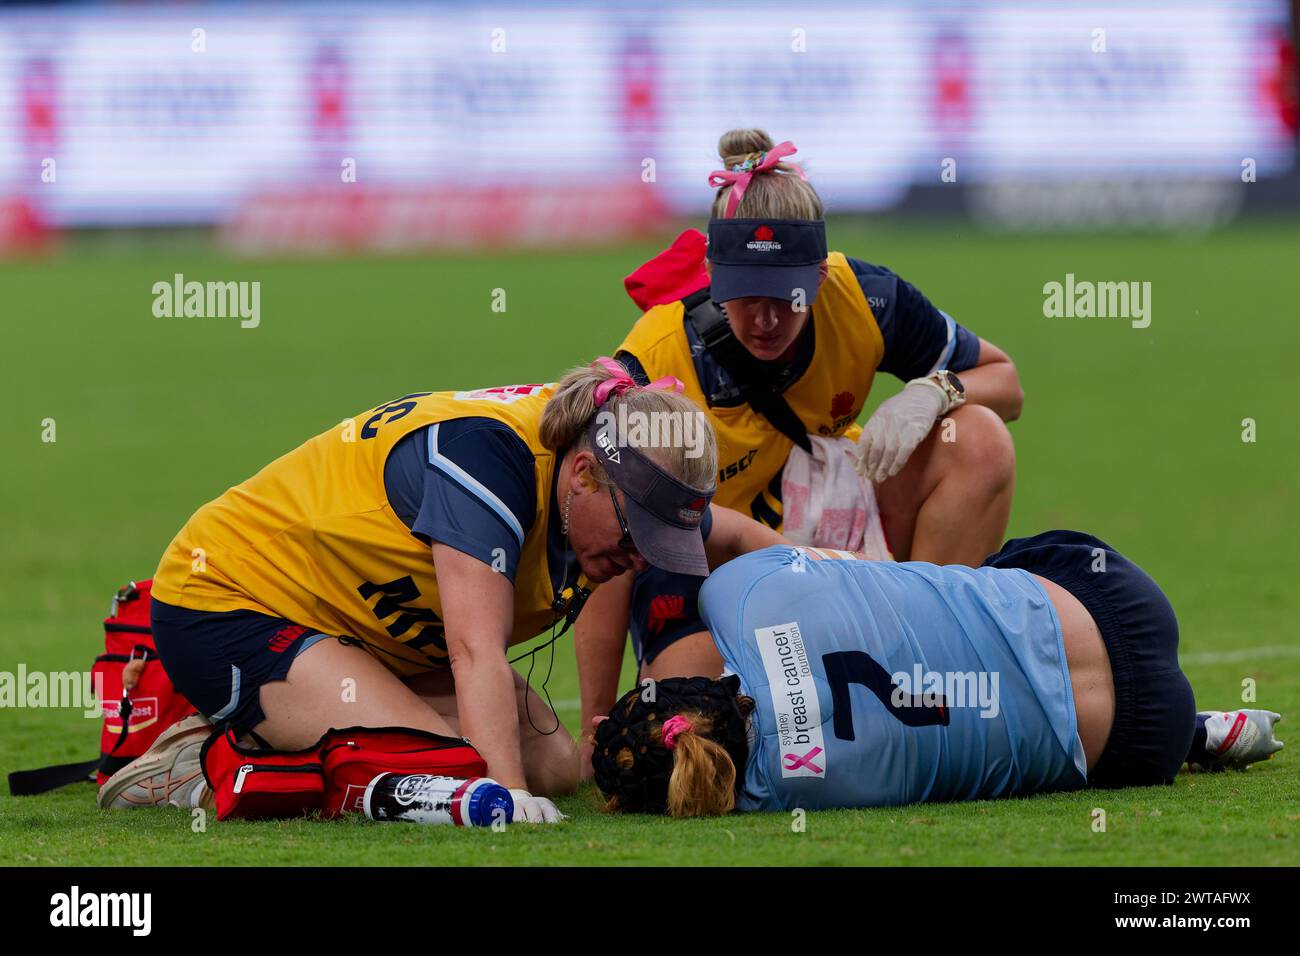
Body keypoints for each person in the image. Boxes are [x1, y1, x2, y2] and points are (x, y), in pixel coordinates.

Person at [98, 359, 718, 824]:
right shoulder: (492, 459)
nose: (642, 558)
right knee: (461, 768)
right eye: (639, 535)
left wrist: (809, 562)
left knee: (554, 766)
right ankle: (205, 759)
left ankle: (295, 721)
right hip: (230, 604)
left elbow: (735, 537)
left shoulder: (601, 474)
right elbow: (475, 652)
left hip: (358, 626)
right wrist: (509, 796)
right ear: (582, 475)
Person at [577, 127, 1025, 758]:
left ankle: (928, 659)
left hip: (838, 532)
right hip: (711, 569)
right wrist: (594, 726)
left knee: (975, 435)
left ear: (818, 274)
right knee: (681, 739)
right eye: (745, 298)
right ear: (713, 274)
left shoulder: (865, 297)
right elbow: (605, 532)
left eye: (787, 298)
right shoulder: (658, 358)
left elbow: (1005, 382)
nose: (765, 321)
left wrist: (934, 391)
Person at [592, 534, 1284, 815]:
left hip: (1136, 745)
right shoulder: (740, 596)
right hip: (1119, 602)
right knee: (966, 584)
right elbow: (708, 533)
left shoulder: (773, 797)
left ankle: (1197, 732)